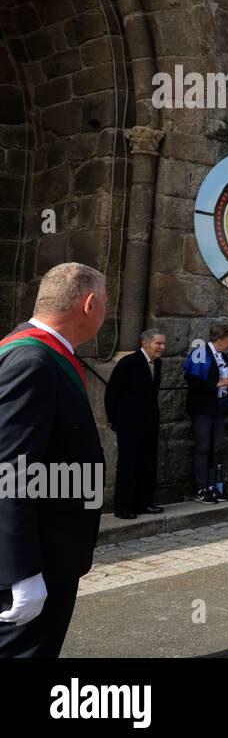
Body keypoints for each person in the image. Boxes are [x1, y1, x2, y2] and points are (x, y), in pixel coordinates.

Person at [0, 263, 107, 658]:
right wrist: (21, 572)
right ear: (89, 303)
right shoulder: (33, 361)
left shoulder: (44, 354)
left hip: (51, 550)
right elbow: (10, 470)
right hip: (38, 557)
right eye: (105, 303)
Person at [105, 328, 167, 520]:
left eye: (164, 344)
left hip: (149, 423)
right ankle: (123, 507)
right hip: (129, 424)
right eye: (158, 343)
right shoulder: (129, 362)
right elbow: (112, 393)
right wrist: (114, 420)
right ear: (145, 343)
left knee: (148, 463)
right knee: (128, 464)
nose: (162, 347)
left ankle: (144, 503)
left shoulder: (158, 364)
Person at [183, 323, 228, 504]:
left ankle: (213, 487)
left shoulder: (223, 356)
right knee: (203, 447)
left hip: (219, 407)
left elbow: (224, 375)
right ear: (222, 339)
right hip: (203, 408)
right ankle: (201, 488)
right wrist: (216, 384)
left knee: (215, 448)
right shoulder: (201, 351)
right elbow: (191, 378)